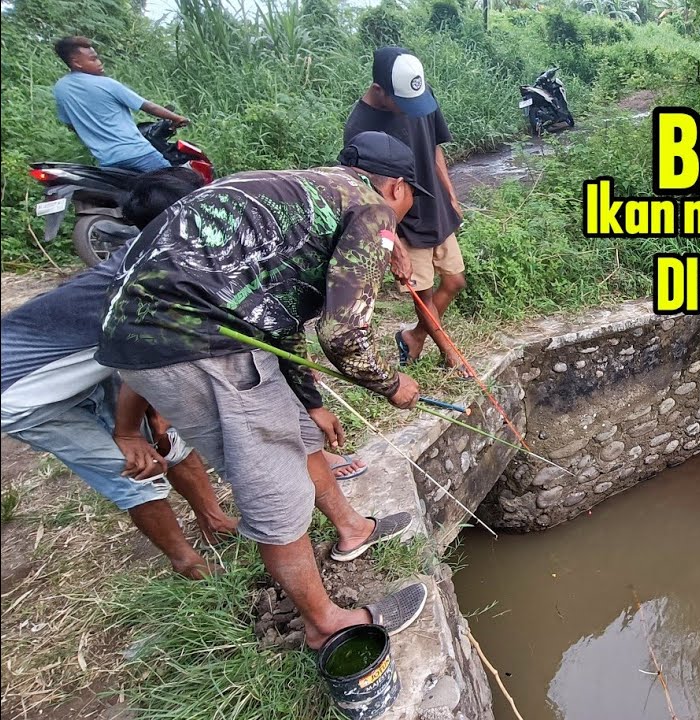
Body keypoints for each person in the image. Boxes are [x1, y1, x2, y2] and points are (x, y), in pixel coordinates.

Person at [97, 131, 431, 649]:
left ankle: (351, 529)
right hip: (194, 343)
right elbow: (342, 332)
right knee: (273, 483)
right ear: (396, 187)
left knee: (300, 429)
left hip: (172, 329)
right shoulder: (372, 211)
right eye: (408, 201)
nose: (405, 214)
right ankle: (327, 625)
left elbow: (278, 321)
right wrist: (391, 384)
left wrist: (312, 402)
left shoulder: (311, 191)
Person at [1, 238, 237, 580]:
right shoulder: (158, 281)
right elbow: (143, 359)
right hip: (21, 395)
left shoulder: (164, 250)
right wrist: (126, 432)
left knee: (167, 439)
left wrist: (156, 412)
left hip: (88, 366)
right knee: (131, 466)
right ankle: (186, 561)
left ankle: (214, 521)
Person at [124, 168, 371, 481]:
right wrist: (129, 431)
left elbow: (278, 318)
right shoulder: (164, 274)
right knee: (263, 450)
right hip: (187, 356)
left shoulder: (228, 244)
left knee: (284, 397)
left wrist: (306, 391)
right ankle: (302, 466)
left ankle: (313, 457)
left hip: (205, 344)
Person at [344, 46, 472, 377]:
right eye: (401, 103)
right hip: (405, 220)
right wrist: (392, 240)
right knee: (424, 292)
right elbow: (366, 194)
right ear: (378, 91)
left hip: (436, 206)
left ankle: (414, 336)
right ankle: (450, 354)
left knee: (456, 280)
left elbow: (434, 147)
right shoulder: (360, 128)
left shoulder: (416, 93)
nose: (410, 110)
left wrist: (450, 193)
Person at [52, 36, 190, 173]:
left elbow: (71, 125)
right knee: (179, 183)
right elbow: (148, 106)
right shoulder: (107, 84)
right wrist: (177, 118)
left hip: (107, 161)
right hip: (138, 153)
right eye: (93, 59)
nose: (99, 62)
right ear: (77, 63)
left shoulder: (61, 88)